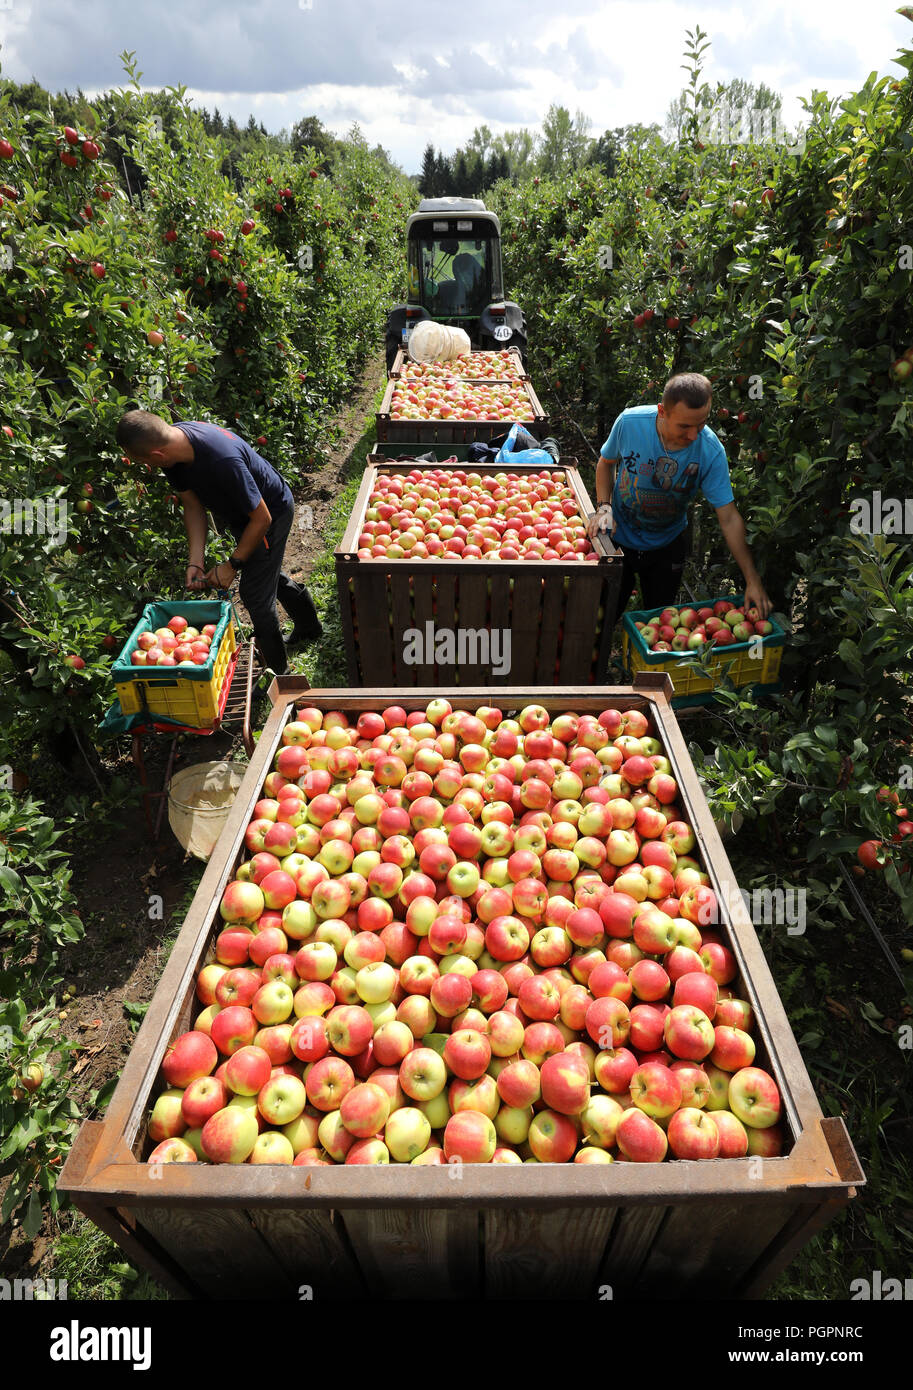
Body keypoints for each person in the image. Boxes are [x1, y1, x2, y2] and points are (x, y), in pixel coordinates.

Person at [115, 411, 322, 674]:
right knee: (263, 573)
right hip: (243, 515)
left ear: (157, 456)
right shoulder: (174, 451)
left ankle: (279, 673)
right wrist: (196, 561)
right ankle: (309, 628)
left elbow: (262, 519)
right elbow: (192, 507)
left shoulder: (221, 460)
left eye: (144, 462)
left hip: (269, 513)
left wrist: (231, 565)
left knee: (255, 594)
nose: (147, 467)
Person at [589, 372, 772, 628]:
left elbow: (729, 517)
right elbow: (606, 463)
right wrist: (604, 507)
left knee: (660, 625)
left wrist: (752, 580)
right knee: (601, 617)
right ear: (662, 411)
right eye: (684, 426)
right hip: (618, 540)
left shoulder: (709, 450)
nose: (694, 435)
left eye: (701, 424)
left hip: (667, 543)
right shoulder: (630, 423)